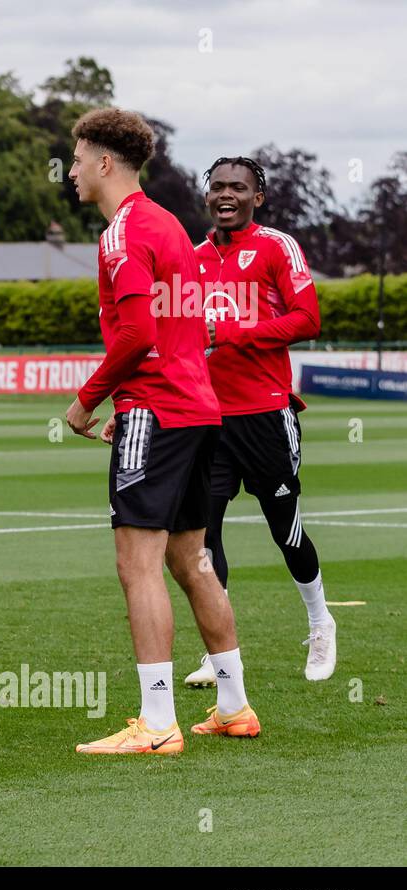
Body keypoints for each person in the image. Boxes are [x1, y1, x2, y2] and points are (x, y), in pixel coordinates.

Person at [63, 108, 258, 754]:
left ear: (104, 163)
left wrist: (89, 400)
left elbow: (139, 334)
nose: (71, 171)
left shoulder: (122, 233)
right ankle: (232, 707)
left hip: (159, 408)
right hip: (197, 408)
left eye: (77, 158)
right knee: (192, 559)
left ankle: (155, 724)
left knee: (136, 565)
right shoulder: (171, 224)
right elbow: (183, 331)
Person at [181, 156, 335, 686]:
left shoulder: (277, 246)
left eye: (238, 188)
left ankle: (320, 622)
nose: (227, 195)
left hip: (267, 413)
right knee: (204, 537)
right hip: (208, 419)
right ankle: (218, 651)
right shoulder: (191, 257)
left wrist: (232, 334)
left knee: (285, 531)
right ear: (207, 196)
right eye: (218, 186)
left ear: (257, 197)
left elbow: (308, 319)